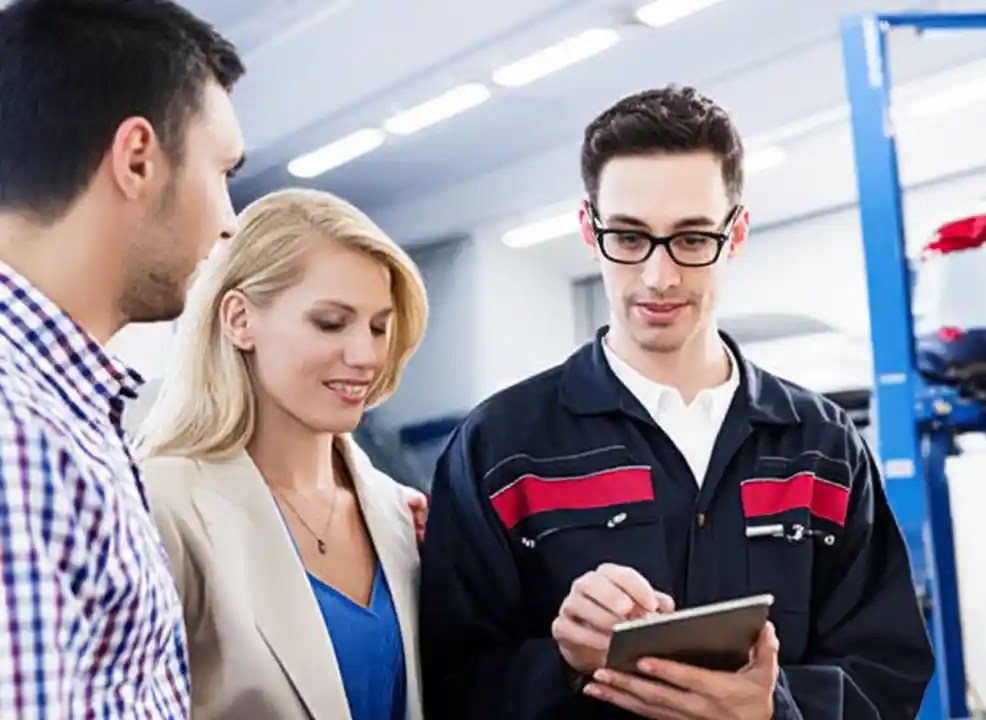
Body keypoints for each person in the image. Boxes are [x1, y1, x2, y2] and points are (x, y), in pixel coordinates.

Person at [419, 84, 935, 719]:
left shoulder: (822, 449)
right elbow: (448, 686)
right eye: (630, 238)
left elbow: (889, 674)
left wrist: (774, 710)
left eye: (691, 240)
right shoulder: (501, 449)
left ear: (736, 231)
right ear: (589, 228)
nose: (659, 277)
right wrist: (564, 664)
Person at [0, 1, 245, 716]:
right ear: (137, 159)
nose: (230, 220)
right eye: (222, 171)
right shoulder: (18, 432)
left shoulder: (62, 410)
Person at [133, 187, 430, 720]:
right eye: (331, 323)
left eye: (379, 326)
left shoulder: (402, 516)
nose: (365, 355)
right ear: (240, 319)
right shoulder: (160, 503)